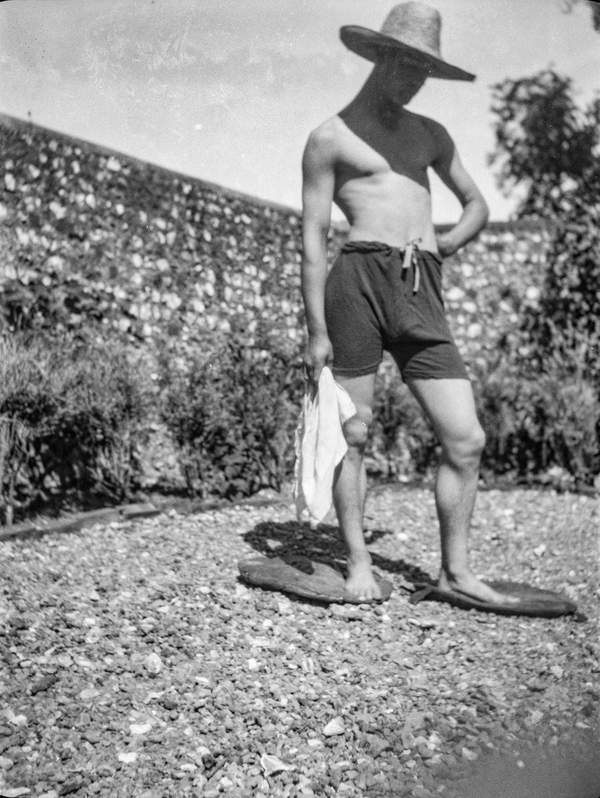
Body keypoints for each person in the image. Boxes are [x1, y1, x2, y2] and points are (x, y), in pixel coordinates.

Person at [300, 2, 518, 605]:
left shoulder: (431, 135)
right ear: (380, 57)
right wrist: (316, 330)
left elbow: (476, 204)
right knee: (354, 433)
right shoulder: (329, 138)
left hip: (421, 286)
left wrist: (444, 243)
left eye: (425, 70)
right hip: (357, 284)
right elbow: (313, 240)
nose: (416, 80)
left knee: (466, 438)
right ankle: (358, 564)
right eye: (407, 66)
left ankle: (456, 573)